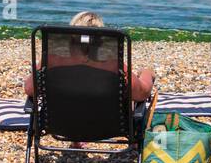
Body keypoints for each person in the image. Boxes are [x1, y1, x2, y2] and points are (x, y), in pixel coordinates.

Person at [23, 11, 155, 102]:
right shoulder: (113, 65)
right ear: (101, 38)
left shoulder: (52, 61)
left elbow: (29, 90)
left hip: (61, 124)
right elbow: (141, 93)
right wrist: (147, 73)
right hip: (106, 125)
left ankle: (76, 140)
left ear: (70, 34)